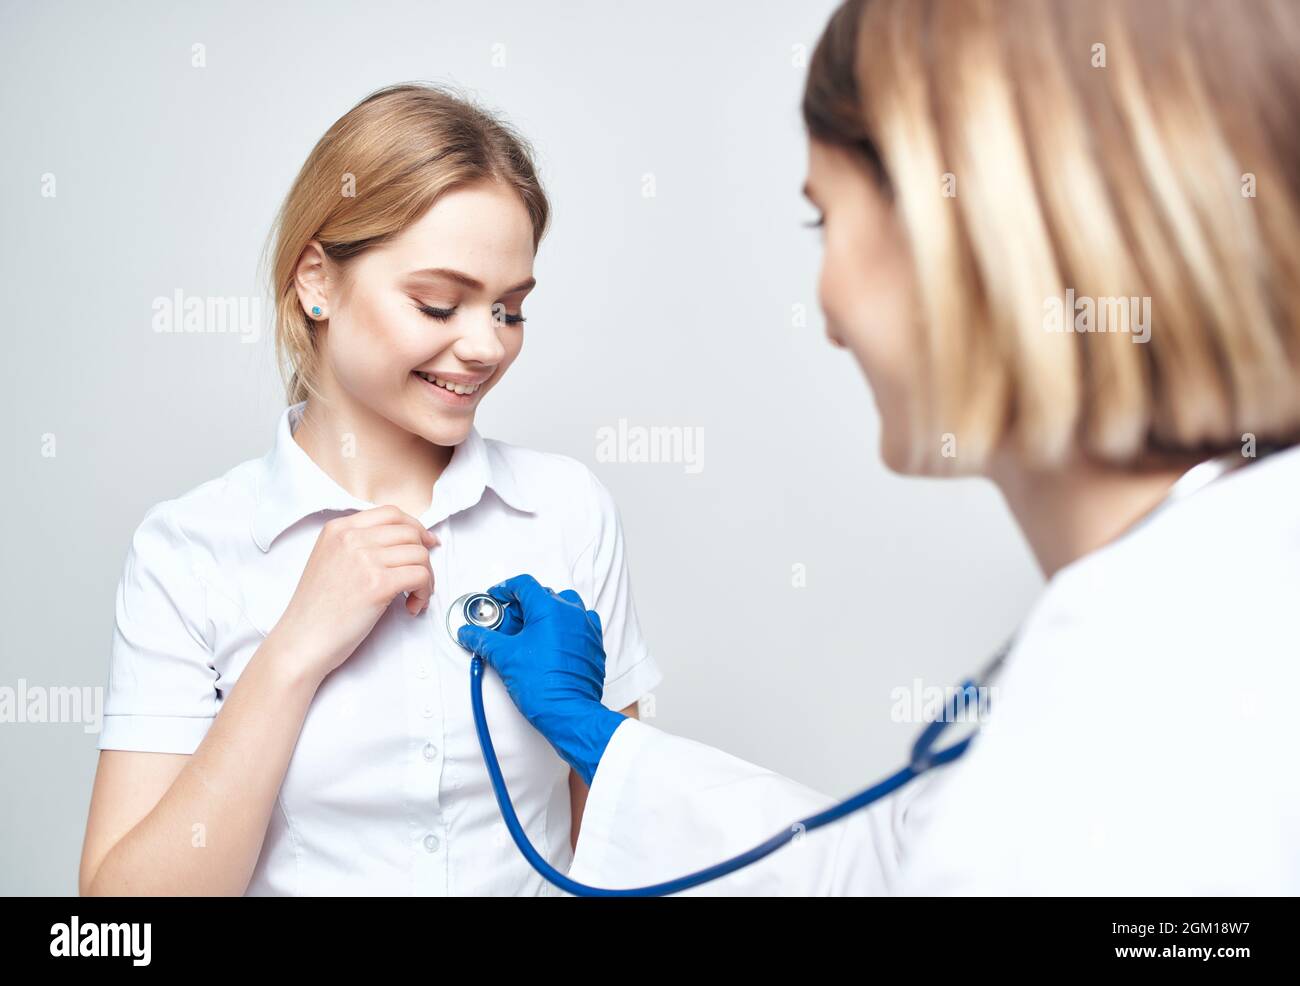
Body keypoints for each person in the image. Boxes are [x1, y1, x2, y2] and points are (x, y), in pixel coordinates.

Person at [457, 0, 1300, 894]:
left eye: (824, 220)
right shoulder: (1188, 615)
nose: (826, 312)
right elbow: (886, 868)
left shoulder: (1164, 703)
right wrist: (598, 737)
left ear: (968, 234)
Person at [80, 84, 661, 896]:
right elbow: (119, 921)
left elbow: (635, 861)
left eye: (509, 309)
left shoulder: (565, 512)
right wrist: (291, 654)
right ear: (316, 280)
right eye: (439, 303)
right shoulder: (188, 551)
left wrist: (593, 736)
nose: (485, 346)